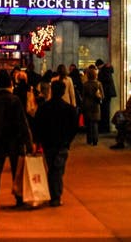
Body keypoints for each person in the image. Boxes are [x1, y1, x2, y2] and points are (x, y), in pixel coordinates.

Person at [0, 68, 33, 210]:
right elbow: (22, 122)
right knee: (16, 170)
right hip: (14, 138)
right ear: (10, 83)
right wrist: (28, 142)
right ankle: (18, 197)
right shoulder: (15, 100)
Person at [32, 77, 79, 207]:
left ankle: (54, 194)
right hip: (62, 144)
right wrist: (68, 140)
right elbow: (74, 127)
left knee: (53, 168)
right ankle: (55, 196)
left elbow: (37, 125)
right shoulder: (69, 109)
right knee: (57, 169)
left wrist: (38, 140)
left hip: (48, 143)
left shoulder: (44, 108)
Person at [81, 64, 104, 146]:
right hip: (96, 105)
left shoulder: (85, 84)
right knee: (95, 123)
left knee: (88, 123)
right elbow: (102, 95)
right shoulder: (98, 84)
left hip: (87, 105)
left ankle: (89, 139)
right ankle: (95, 140)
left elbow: (83, 96)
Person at [96, 59, 117, 133]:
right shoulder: (107, 69)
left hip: (106, 93)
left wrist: (99, 80)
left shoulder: (104, 70)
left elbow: (106, 80)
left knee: (105, 110)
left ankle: (105, 128)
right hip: (108, 93)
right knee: (105, 110)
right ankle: (105, 128)